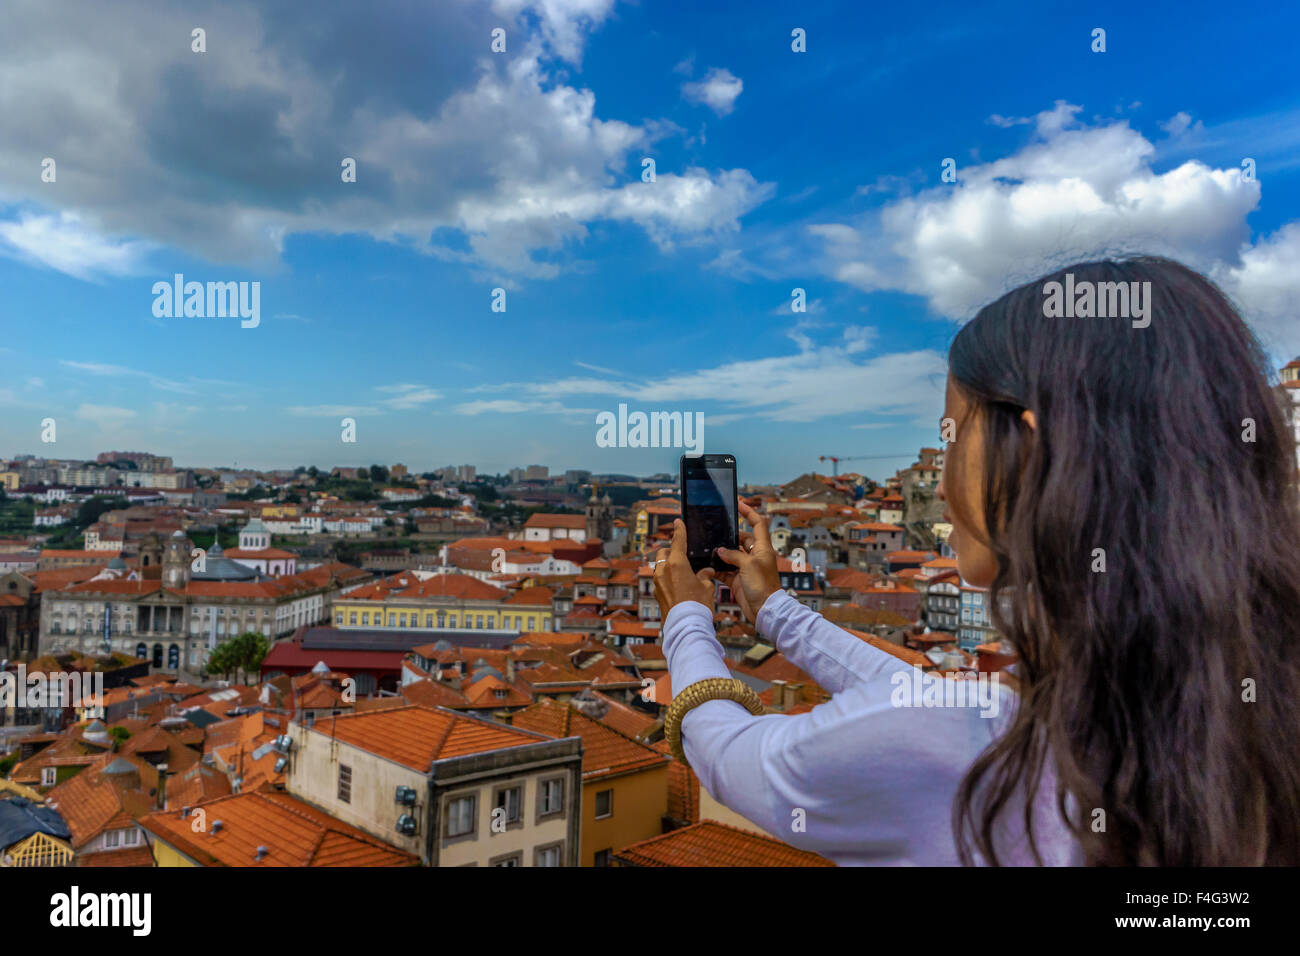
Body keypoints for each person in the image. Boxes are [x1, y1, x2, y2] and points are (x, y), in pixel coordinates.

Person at [654, 256, 1300, 866]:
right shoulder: (1239, 700)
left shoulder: (972, 753)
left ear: (1031, 449)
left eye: (952, 437)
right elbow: (933, 703)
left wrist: (687, 617)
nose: (938, 486)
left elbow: (731, 755)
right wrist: (775, 612)